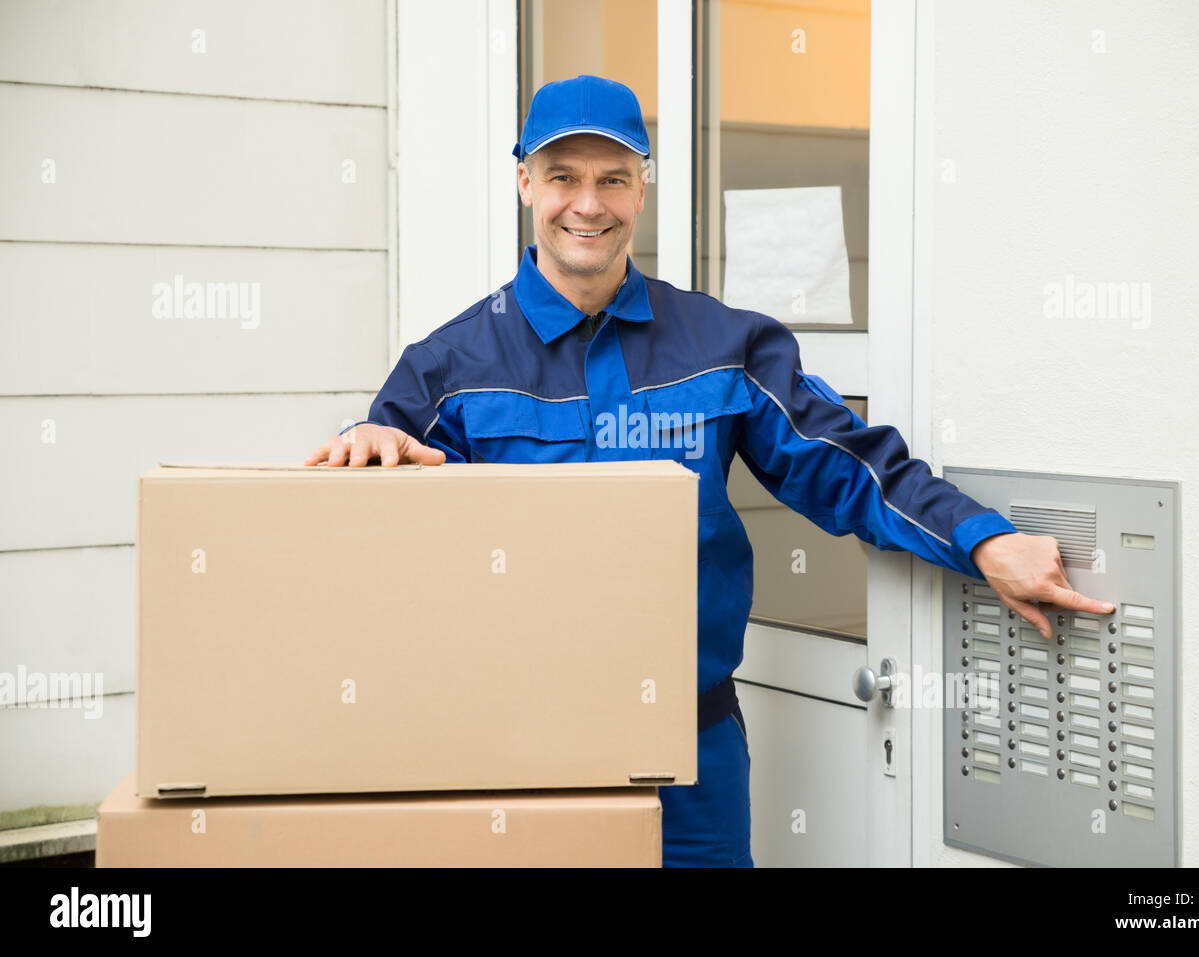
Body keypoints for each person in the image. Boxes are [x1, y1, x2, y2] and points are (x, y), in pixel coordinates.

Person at [305, 74, 1114, 867]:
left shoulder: (725, 345)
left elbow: (846, 465)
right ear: (525, 183)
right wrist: (367, 442)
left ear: (641, 189)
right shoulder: (448, 366)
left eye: (612, 179)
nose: (588, 205)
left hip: (692, 749)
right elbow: (379, 501)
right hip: (518, 749)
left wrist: (981, 539)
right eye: (563, 178)